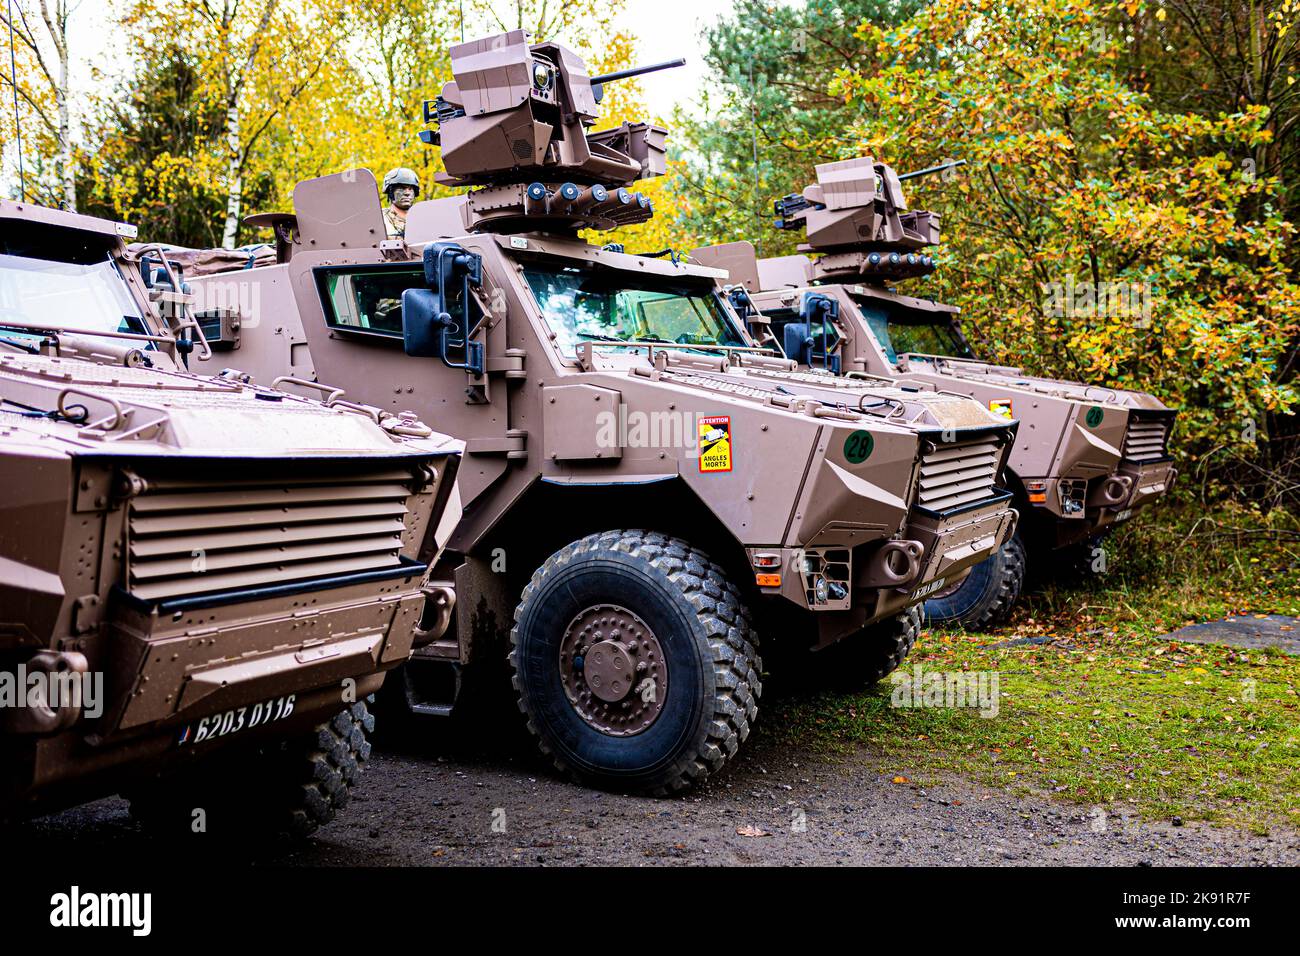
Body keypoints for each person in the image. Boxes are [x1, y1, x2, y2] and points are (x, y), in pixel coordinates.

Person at [382, 167, 420, 239]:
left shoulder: (421, 219)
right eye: (401, 188)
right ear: (391, 192)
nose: (407, 193)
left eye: (410, 189)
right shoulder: (382, 218)